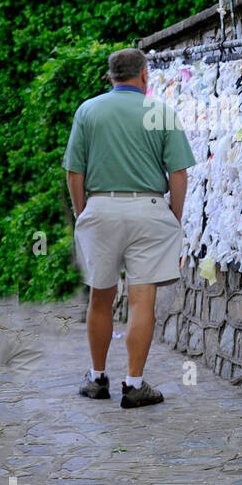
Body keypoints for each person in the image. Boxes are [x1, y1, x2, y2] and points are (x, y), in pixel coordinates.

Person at [64, 47, 196, 409]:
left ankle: (96, 378)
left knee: (100, 297)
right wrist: (174, 216)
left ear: (110, 77)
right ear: (144, 76)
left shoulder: (88, 111)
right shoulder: (161, 112)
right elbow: (179, 174)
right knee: (142, 300)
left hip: (100, 207)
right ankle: (134, 384)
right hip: (149, 208)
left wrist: (82, 213)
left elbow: (74, 172)